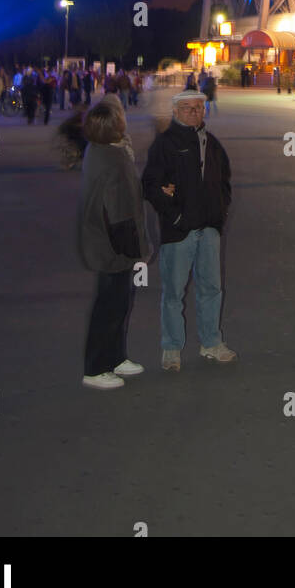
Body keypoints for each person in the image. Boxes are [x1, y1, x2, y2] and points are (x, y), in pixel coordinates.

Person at [142, 89, 235, 372]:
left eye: (198, 107)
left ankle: (211, 343)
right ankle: (171, 348)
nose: (194, 112)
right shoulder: (165, 144)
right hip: (179, 231)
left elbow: (224, 182)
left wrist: (220, 214)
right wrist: (175, 214)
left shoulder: (213, 144)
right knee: (173, 293)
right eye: (187, 108)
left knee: (212, 289)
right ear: (175, 112)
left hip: (208, 229)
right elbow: (149, 185)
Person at [78, 98, 151, 391]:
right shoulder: (114, 159)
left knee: (119, 302)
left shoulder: (99, 151)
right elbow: (119, 211)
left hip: (104, 238)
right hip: (112, 243)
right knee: (109, 305)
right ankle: (96, 367)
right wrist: (137, 250)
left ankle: (115, 356)